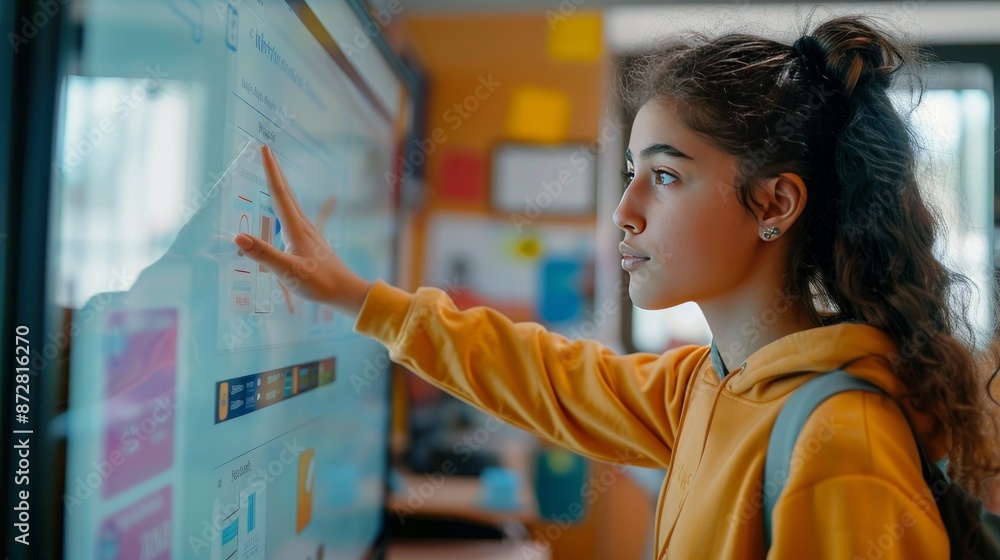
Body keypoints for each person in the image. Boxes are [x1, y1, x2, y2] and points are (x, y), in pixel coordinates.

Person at [232, 15, 1000, 559]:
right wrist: (361, 299)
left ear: (774, 204)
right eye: (632, 172)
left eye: (664, 176)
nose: (623, 210)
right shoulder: (710, 385)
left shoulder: (839, 445)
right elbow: (547, 375)